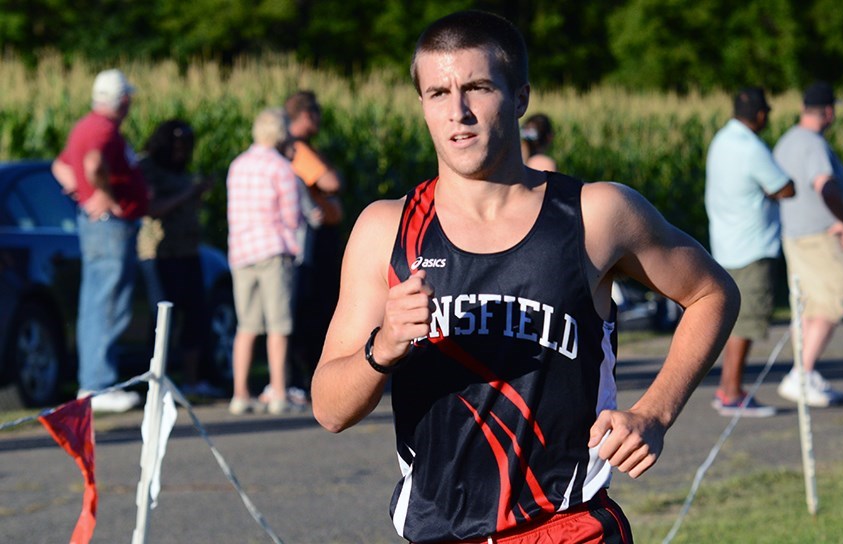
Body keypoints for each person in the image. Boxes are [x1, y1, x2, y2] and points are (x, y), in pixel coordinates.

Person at [310, 10, 739, 543]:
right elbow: (329, 409)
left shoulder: (595, 215)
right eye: (438, 93)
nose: (458, 112)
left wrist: (655, 412)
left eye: (478, 87)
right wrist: (384, 346)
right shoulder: (386, 228)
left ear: (519, 98)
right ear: (421, 105)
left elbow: (712, 292)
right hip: (439, 530)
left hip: (568, 528)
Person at [51, 69, 148, 413]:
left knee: (95, 302)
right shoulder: (104, 130)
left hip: (97, 225)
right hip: (110, 226)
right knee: (109, 304)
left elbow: (60, 166)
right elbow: (92, 164)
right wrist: (102, 194)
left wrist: (84, 194)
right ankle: (98, 384)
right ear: (121, 100)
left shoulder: (85, 126)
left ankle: (93, 383)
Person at [705, 87, 795, 417]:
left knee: (734, 320)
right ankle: (731, 392)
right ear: (759, 115)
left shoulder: (722, 140)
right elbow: (785, 187)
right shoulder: (752, 147)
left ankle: (729, 388)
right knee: (747, 321)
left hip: (725, 242)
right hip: (752, 245)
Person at [773, 81, 843, 407]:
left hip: (795, 233)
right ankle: (802, 373)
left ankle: (802, 371)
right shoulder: (812, 144)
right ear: (828, 111)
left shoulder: (787, 141)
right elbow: (824, 185)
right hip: (819, 235)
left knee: (807, 306)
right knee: (834, 299)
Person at [136, 119, 222, 398]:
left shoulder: (181, 171)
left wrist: (198, 195)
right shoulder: (148, 169)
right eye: (176, 144)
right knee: (163, 318)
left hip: (189, 252)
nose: (181, 151)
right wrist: (188, 193)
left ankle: (192, 381)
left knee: (195, 316)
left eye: (186, 145)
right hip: (159, 255)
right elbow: (152, 208)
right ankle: (155, 380)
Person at [226, 108, 303, 415]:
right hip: (272, 250)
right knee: (278, 326)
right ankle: (279, 392)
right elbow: (291, 216)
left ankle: (240, 393)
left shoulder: (237, 165)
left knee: (246, 326)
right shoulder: (280, 167)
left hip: (241, 251)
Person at [283, 90, 345, 389]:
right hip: (313, 240)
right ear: (306, 116)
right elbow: (330, 182)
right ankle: (309, 373)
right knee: (314, 309)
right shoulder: (298, 149)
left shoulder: (302, 148)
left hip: (319, 236)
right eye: (316, 114)